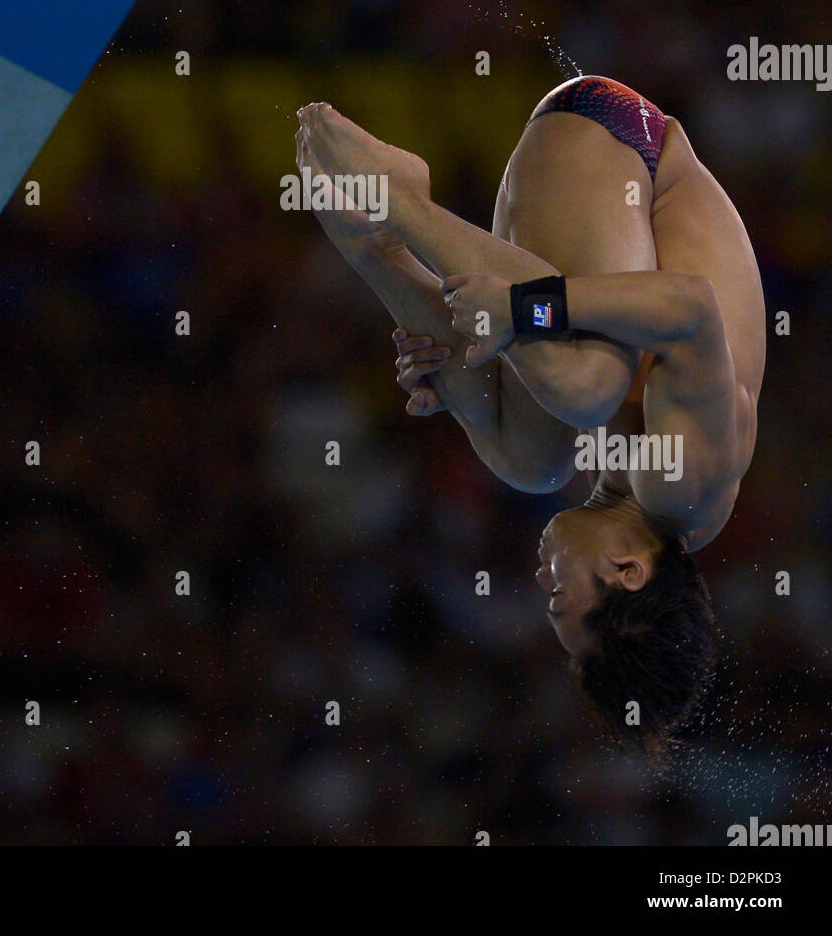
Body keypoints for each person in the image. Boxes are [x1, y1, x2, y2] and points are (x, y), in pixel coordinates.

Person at [295, 76, 766, 753]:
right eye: (556, 598)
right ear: (628, 572)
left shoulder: (634, 501)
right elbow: (690, 309)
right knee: (586, 388)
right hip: (620, 141)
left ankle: (365, 231)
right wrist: (524, 311)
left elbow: (507, 352)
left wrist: (446, 379)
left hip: (585, 205)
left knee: (529, 464)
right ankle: (398, 205)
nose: (540, 577)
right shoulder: (685, 485)